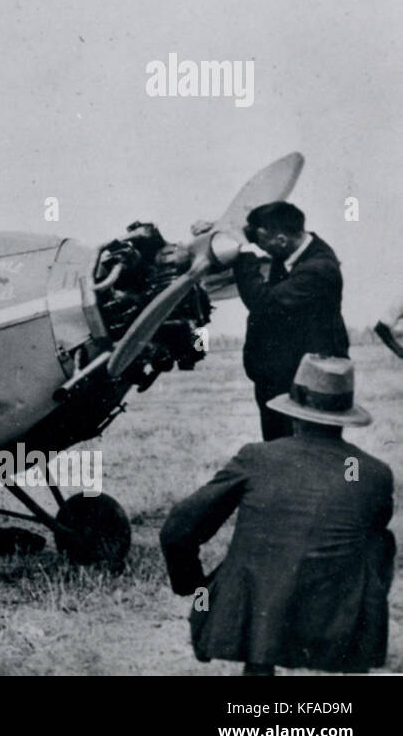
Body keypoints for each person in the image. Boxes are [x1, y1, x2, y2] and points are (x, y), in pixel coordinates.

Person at [160, 354, 394, 675]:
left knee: (265, 562)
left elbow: (178, 527)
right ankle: (351, 659)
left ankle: (259, 659)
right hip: (335, 613)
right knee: (378, 542)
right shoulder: (372, 473)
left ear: (294, 414)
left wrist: (192, 585)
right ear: (343, 414)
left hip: (255, 613)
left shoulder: (257, 457)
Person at [232, 202, 349, 440]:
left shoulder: (318, 269)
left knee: (307, 453)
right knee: (279, 451)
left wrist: (243, 258)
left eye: (261, 243)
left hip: (307, 385)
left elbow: (264, 303)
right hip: (280, 378)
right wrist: (216, 230)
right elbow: (254, 231)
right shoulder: (291, 249)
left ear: (282, 240)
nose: (260, 249)